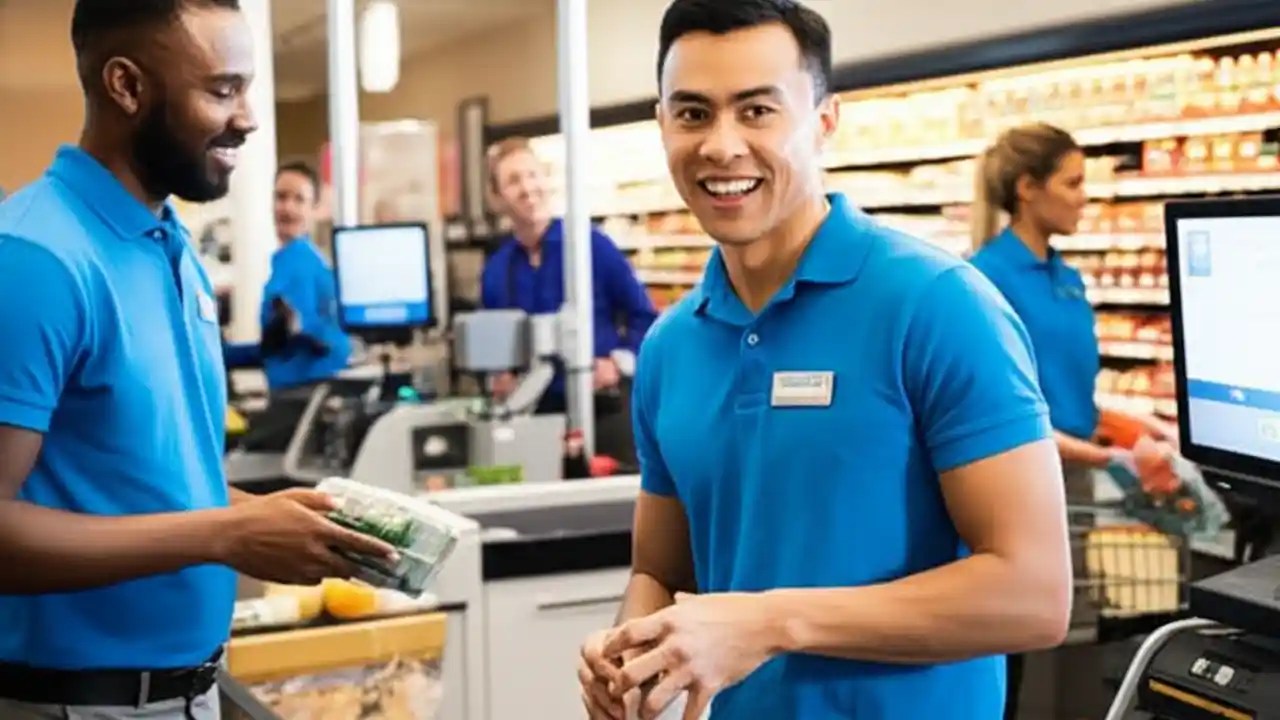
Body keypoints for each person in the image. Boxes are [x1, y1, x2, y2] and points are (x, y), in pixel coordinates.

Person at [576, 2, 1074, 719]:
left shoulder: (937, 305)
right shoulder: (670, 346)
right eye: (692, 114)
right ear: (663, 125)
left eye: (756, 111)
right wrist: (632, 651)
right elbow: (661, 569)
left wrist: (770, 622)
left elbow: (1034, 595)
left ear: (825, 122)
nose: (721, 145)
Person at [0, 2, 397, 718]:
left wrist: (266, 516)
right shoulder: (35, 259)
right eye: (222, 90)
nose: (248, 117)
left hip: (189, 693)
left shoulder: (168, 242)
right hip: (74, 704)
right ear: (126, 85)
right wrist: (227, 532)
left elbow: (139, 482)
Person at [966, 122, 1180, 719]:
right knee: (1025, 648)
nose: (1087, 195)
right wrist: (1114, 458)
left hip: (1075, 479)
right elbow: (1005, 418)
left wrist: (1141, 429)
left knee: (1074, 640)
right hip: (1019, 488)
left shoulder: (1067, 276)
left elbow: (1068, 394)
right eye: (1075, 181)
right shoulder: (984, 281)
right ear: (1029, 188)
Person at [480, 136, 658, 417]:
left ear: (546, 180)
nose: (527, 188)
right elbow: (492, 346)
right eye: (513, 181)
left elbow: (644, 317)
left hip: (601, 407)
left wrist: (616, 363)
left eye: (532, 175)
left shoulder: (591, 246)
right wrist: (499, 376)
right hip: (532, 412)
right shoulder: (497, 269)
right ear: (497, 197)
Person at [224, 160, 352, 392]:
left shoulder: (301, 262)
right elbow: (280, 346)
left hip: (304, 394)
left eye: (298, 200)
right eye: (281, 197)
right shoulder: (292, 261)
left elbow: (301, 335)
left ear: (314, 209)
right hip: (298, 389)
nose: (287, 208)